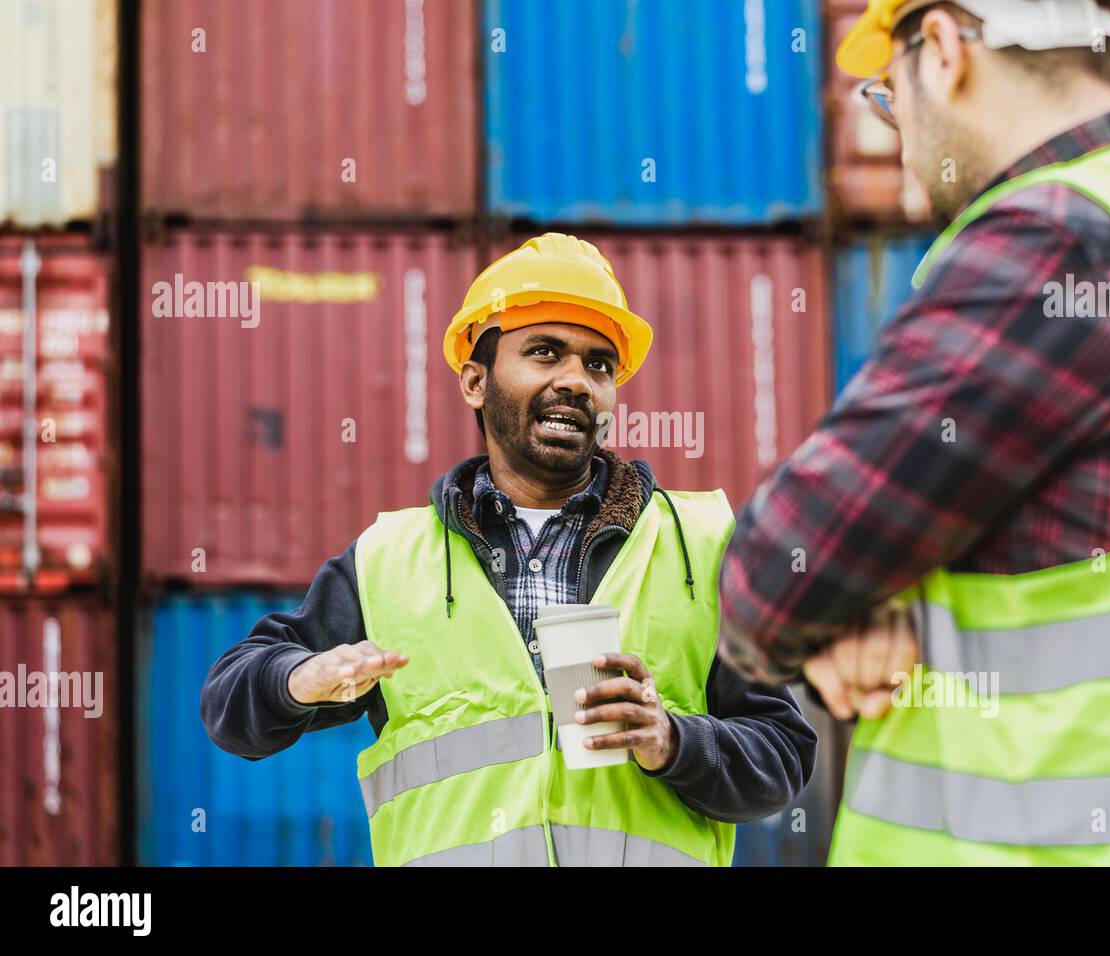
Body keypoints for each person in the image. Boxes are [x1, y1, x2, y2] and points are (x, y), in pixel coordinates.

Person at [718, 0, 1110, 865]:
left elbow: (772, 581)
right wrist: (880, 595)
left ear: (945, 50)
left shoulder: (1056, 240)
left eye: (889, 98)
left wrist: (845, 601)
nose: (906, 147)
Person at [202, 233, 816, 867]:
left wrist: (674, 740)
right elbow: (229, 710)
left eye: (598, 364)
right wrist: (299, 681)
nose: (576, 381)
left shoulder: (701, 545)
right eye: (545, 353)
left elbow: (783, 754)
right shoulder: (389, 562)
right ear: (475, 381)